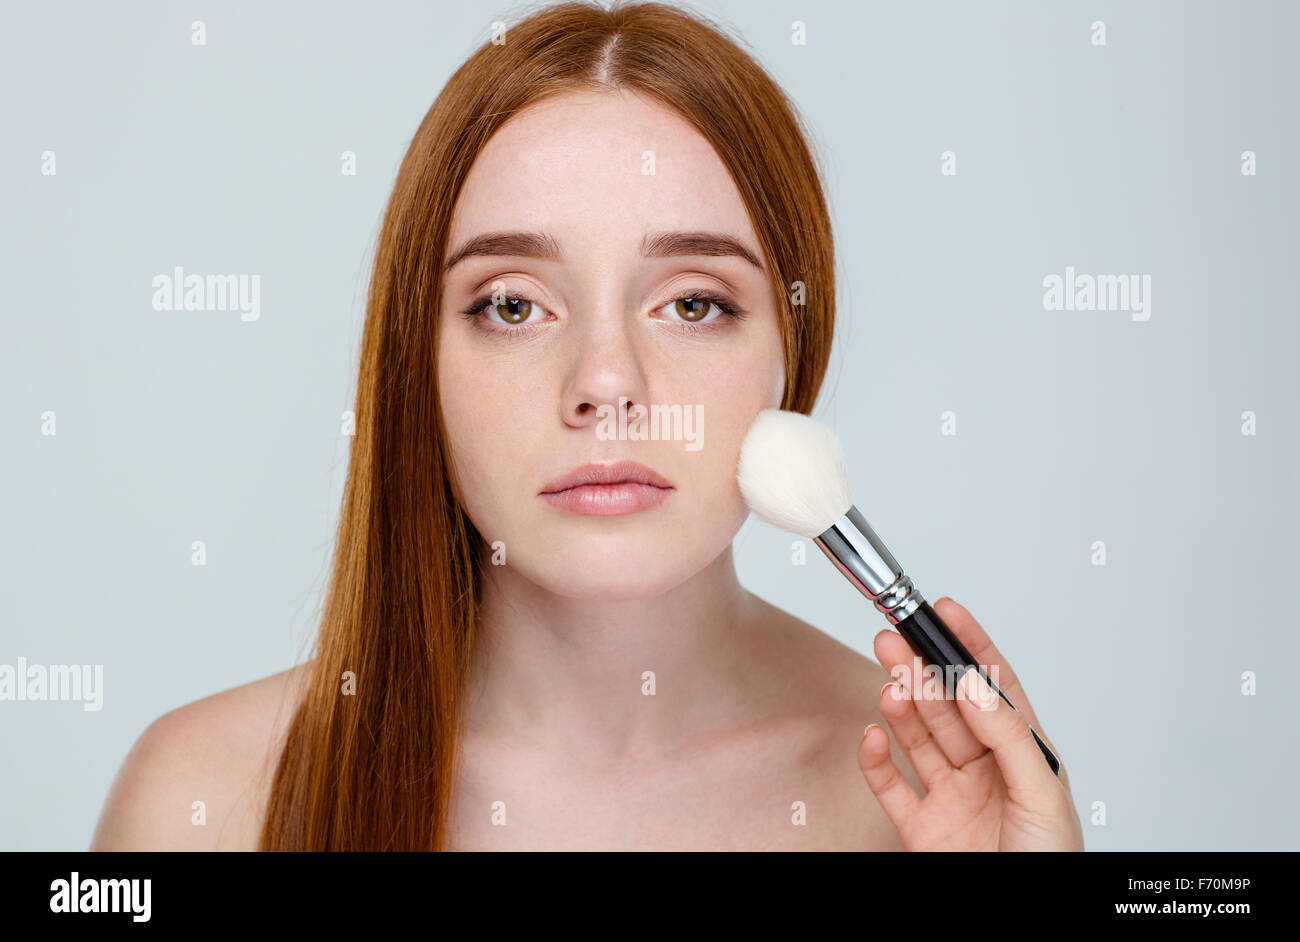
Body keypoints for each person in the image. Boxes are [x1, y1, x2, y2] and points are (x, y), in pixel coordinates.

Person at [92, 0, 1083, 851]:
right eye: (513, 306)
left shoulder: (926, 802)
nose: (607, 383)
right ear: (417, 362)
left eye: (693, 303)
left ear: (793, 349)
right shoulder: (208, 801)